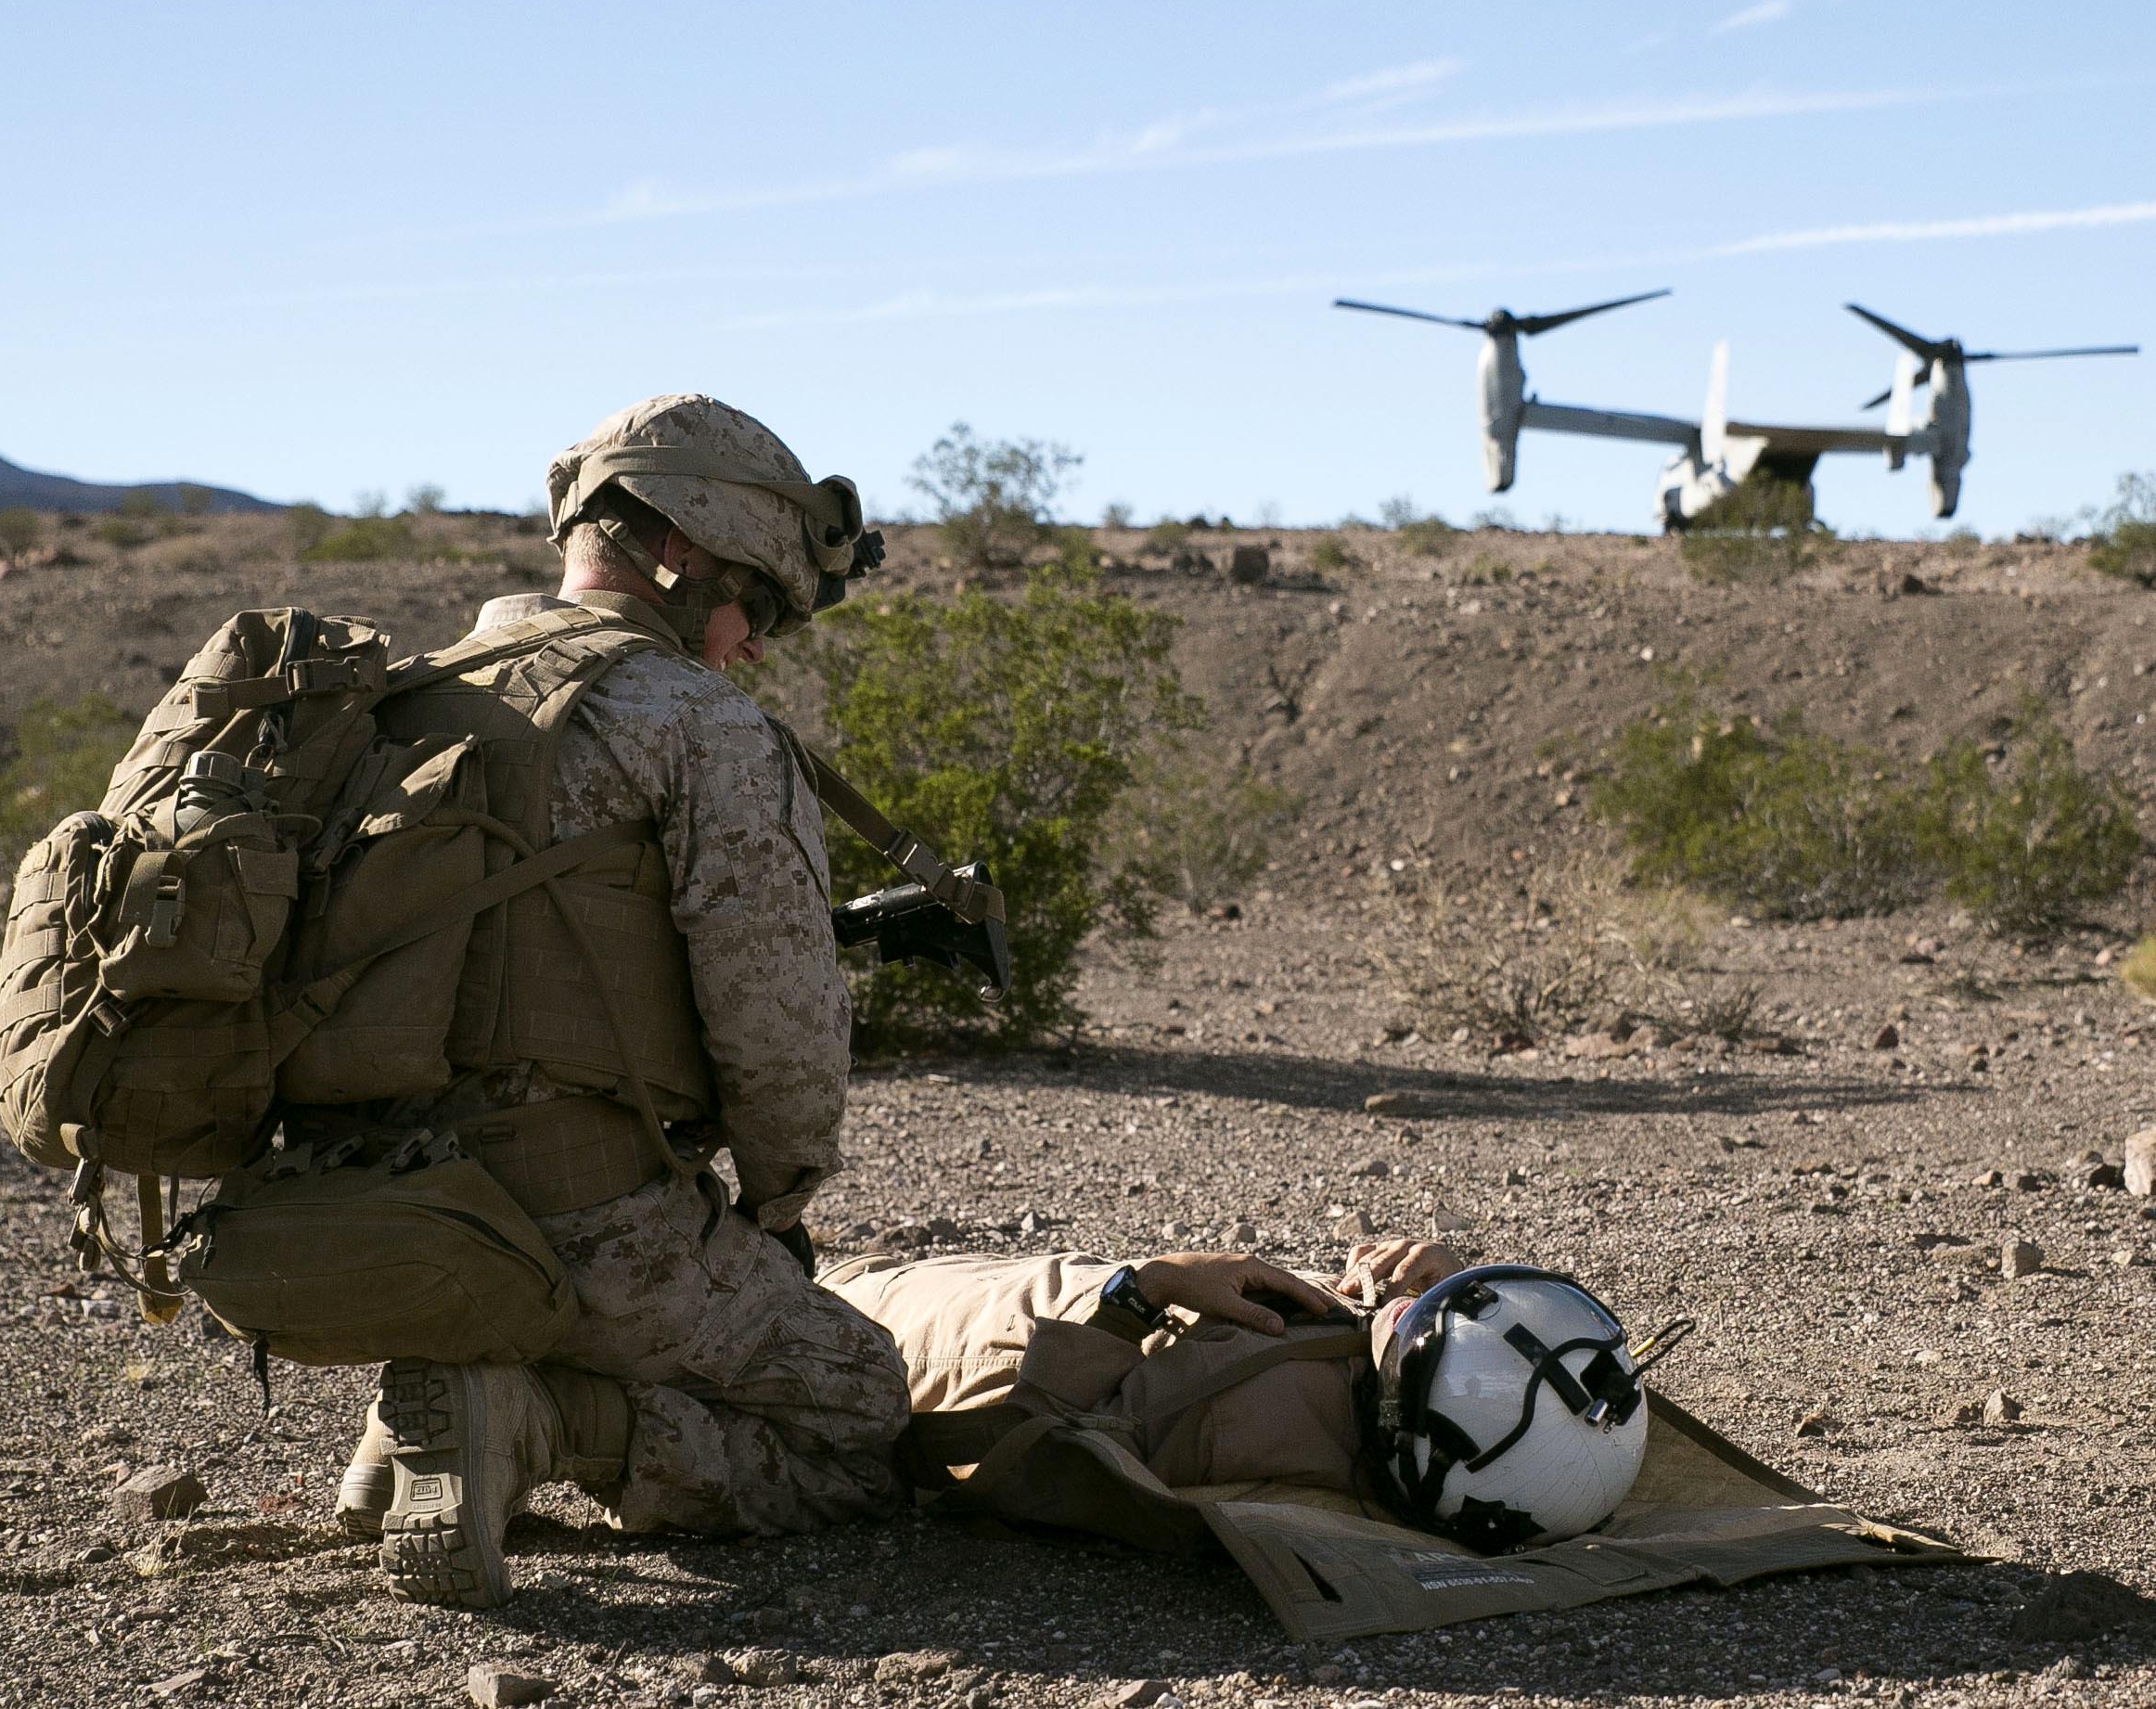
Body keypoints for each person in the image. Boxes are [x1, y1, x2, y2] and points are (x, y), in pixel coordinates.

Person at [332, 393, 917, 1606]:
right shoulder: (699, 724)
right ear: (682, 550)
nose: (750, 641)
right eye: (752, 601)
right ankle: (533, 1418)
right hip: (580, 1220)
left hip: (353, 1202)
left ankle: (432, 1402)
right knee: (857, 1410)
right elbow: (779, 1026)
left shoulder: (396, 697)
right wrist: (779, 1199)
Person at [826, 1236, 1655, 1548]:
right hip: (953, 1287)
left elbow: (1015, 1440)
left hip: (890, 1329)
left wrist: (1141, 1289)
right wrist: (1418, 1301)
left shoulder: (1246, 1438)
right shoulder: (1421, 1431)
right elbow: (1530, 1401)